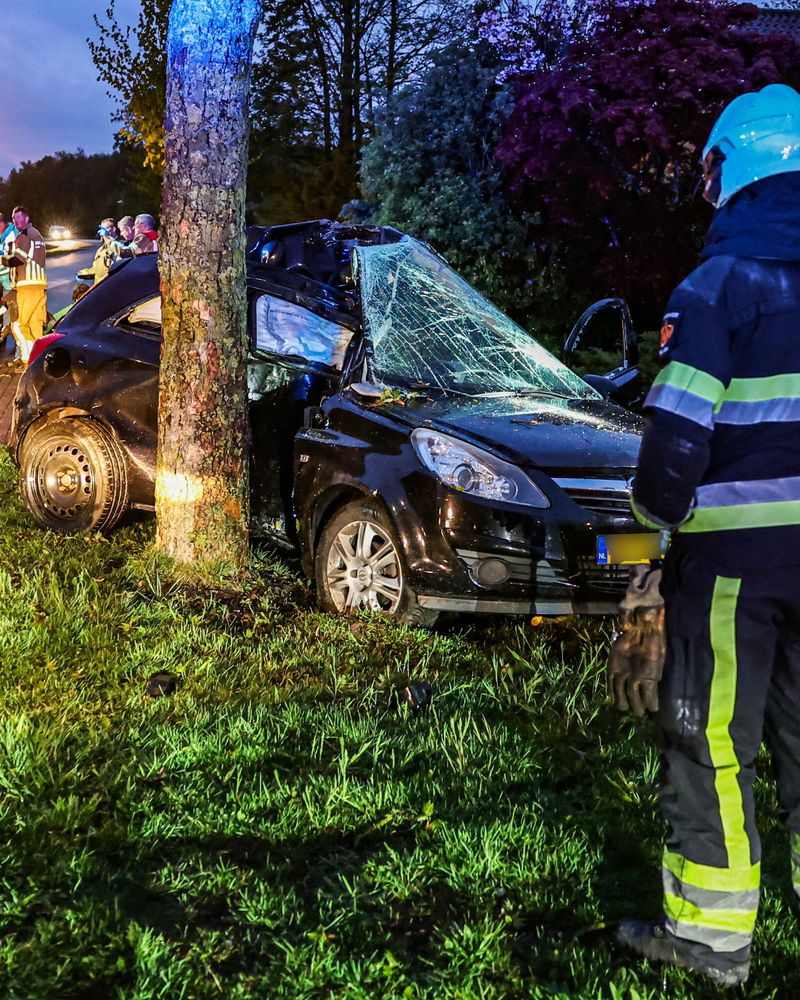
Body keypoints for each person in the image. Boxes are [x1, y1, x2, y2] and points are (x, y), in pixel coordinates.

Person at [608, 84, 800, 988]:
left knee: (711, 740)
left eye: (714, 168)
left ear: (745, 164)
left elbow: (676, 442)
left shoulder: (719, 286)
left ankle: (713, 941)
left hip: (732, 567)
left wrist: (649, 537)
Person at [0, 205, 47, 368]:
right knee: (35, 327)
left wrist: (2, 259)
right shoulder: (37, 235)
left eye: (18, 217)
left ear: (26, 218)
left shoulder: (25, 235)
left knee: (18, 325)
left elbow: (18, 260)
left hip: (27, 286)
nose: (15, 221)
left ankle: (28, 360)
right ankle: (39, 363)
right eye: (14, 219)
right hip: (40, 287)